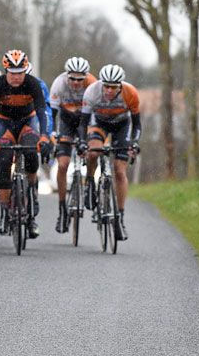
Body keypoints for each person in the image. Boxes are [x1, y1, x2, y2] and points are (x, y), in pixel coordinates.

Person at [0, 49, 50, 238]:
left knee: (31, 153)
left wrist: (44, 137)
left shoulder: (32, 84)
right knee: (4, 160)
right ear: (6, 71)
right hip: (4, 123)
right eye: (12, 73)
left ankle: (32, 192)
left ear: (25, 71)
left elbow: (41, 111)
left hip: (27, 123)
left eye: (20, 72)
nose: (16, 77)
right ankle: (5, 212)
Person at [79, 64, 140, 241]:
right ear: (101, 83)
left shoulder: (131, 93)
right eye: (106, 85)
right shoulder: (91, 92)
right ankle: (90, 182)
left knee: (120, 170)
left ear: (120, 85)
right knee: (93, 153)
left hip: (122, 126)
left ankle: (120, 216)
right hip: (99, 123)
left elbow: (137, 125)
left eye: (113, 87)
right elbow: (83, 123)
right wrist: (83, 143)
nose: (109, 90)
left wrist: (134, 143)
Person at [49, 56, 96, 233]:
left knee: (93, 152)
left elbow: (97, 114)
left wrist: (86, 140)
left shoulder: (93, 85)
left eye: (80, 79)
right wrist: (52, 133)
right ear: (67, 76)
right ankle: (62, 210)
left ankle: (90, 183)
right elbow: (52, 113)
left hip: (87, 120)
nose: (76, 82)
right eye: (73, 78)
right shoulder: (58, 84)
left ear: (86, 76)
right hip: (67, 122)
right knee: (62, 164)